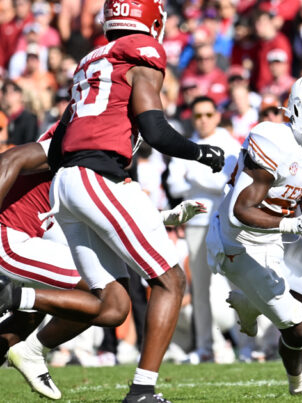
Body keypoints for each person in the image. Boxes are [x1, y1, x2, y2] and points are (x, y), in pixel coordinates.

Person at [2, 0, 227, 401]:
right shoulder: (143, 52)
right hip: (95, 177)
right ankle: (143, 391)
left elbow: (72, 155)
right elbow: (155, 131)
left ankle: (23, 307)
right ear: (152, 23)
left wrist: (161, 214)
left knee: (112, 306)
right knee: (170, 280)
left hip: (69, 187)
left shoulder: (92, 65)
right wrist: (201, 152)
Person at [0, 132, 205, 400]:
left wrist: (166, 216)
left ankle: (28, 343)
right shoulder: (76, 141)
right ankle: (25, 328)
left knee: (39, 313)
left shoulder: (98, 159)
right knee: (101, 297)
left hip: (29, 237)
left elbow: (107, 211)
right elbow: (10, 158)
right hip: (10, 237)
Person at [206, 73, 302, 395]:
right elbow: (240, 211)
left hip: (278, 235)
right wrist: (293, 225)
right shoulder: (273, 140)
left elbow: (300, 207)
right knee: (298, 328)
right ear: (301, 112)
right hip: (239, 242)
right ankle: (298, 382)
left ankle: (254, 302)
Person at [166, 96, 240, 363]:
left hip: (225, 223)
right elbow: (173, 185)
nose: (203, 120)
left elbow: (228, 184)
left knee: (240, 283)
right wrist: (206, 178)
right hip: (196, 224)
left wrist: (194, 177)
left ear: (217, 116)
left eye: (208, 114)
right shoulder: (186, 145)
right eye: (198, 116)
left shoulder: (229, 144)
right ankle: (205, 345)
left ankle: (246, 344)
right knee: (200, 289)